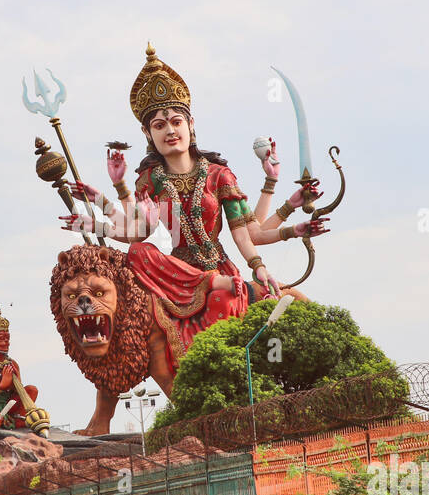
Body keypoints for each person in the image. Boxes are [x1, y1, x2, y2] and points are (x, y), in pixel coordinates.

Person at [59, 44, 328, 371]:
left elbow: (248, 233)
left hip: (221, 271)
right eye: (159, 126)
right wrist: (94, 220)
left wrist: (273, 250)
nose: (170, 131)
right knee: (139, 254)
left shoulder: (219, 174)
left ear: (190, 123)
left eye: (175, 121)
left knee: (225, 298)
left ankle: (221, 296)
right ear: (147, 133)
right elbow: (137, 232)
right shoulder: (150, 178)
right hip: (177, 275)